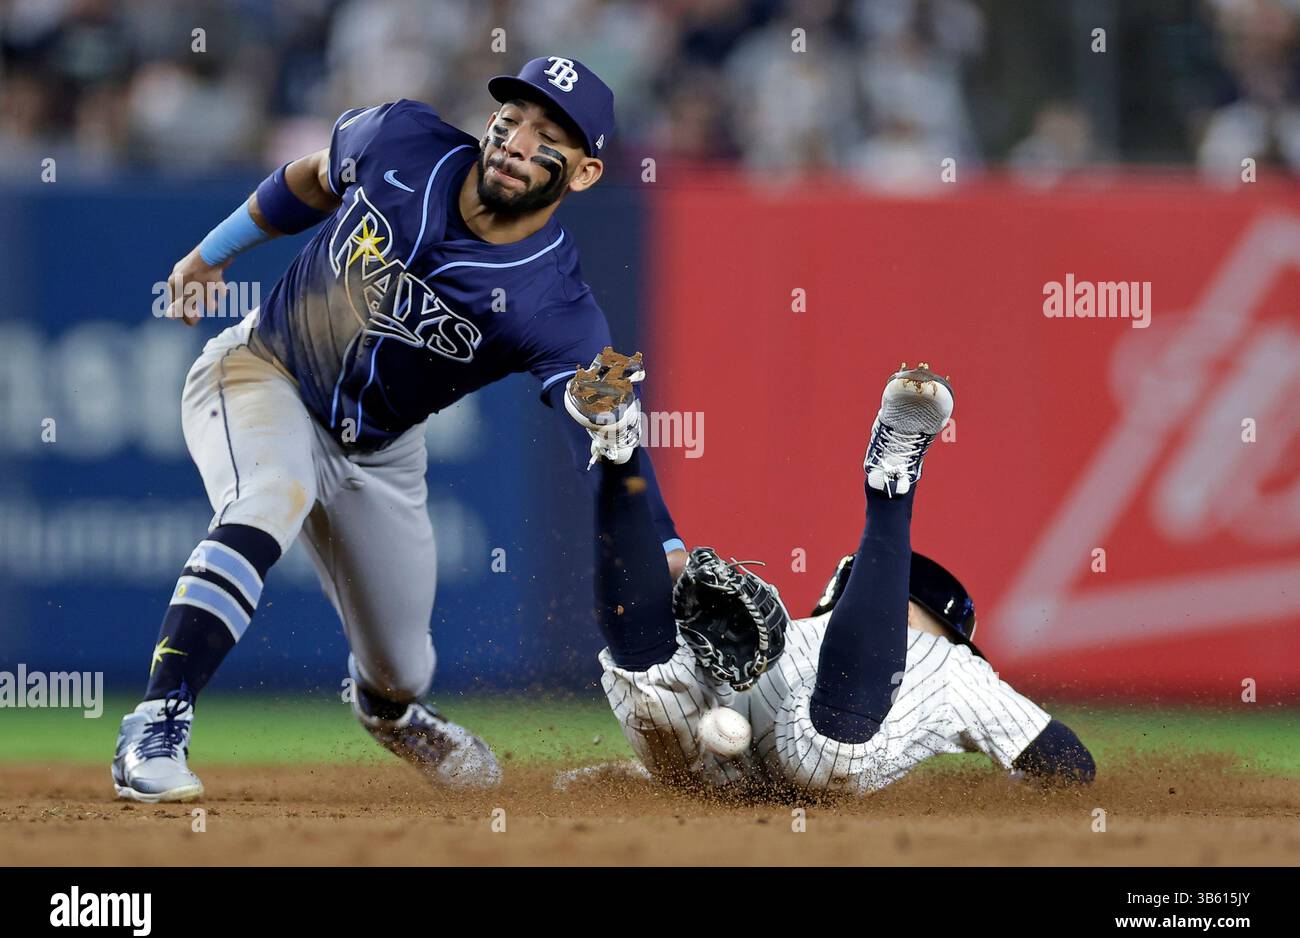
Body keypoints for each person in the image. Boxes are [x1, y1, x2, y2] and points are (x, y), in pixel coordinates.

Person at [111, 57, 685, 803]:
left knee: (402, 669)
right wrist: (207, 255)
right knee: (268, 497)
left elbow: (607, 440)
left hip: (380, 452)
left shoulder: (557, 306)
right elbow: (311, 179)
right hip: (266, 372)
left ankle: (390, 712)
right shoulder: (402, 139)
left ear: (582, 174)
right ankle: (156, 723)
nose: (516, 140)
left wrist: (665, 543)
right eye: (511, 119)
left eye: (550, 135)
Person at [580, 358, 1095, 795]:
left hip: (700, 755)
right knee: (829, 751)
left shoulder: (798, 634)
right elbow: (1070, 764)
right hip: (816, 757)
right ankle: (892, 491)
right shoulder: (956, 666)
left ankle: (616, 452)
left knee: (651, 678)